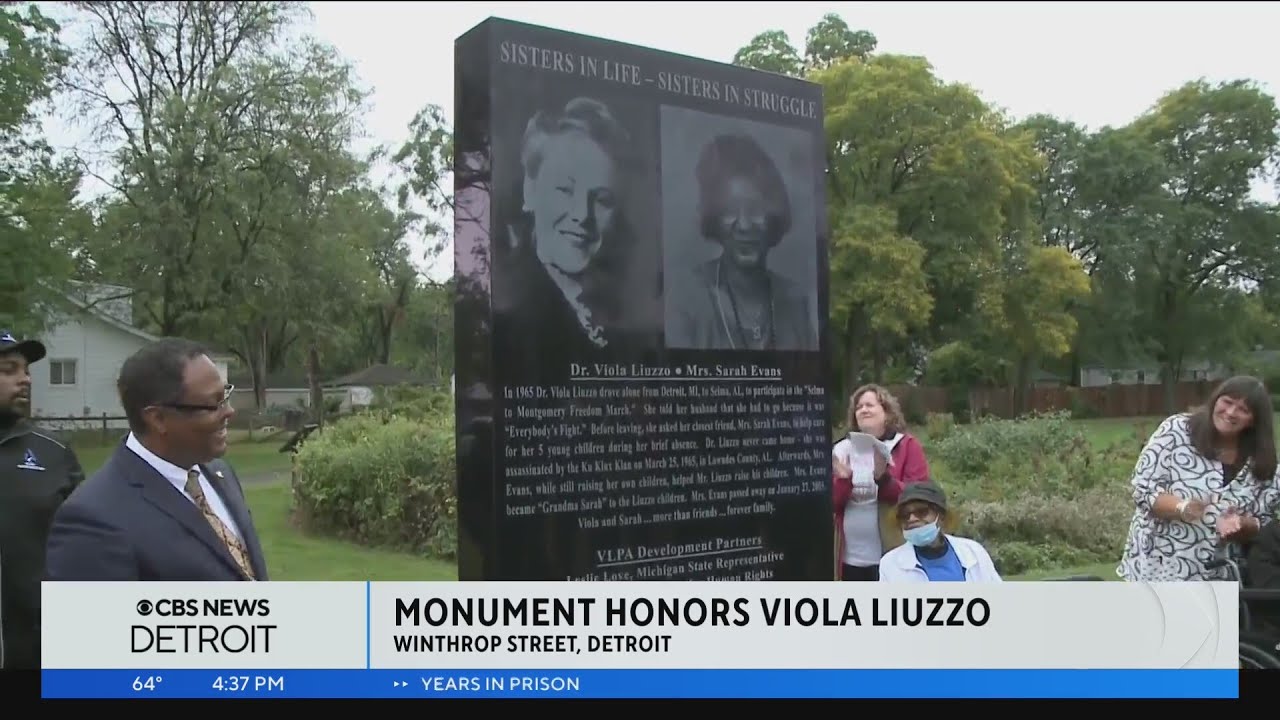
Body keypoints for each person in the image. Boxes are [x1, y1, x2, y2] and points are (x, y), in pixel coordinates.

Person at [45, 338, 268, 582]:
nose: (229, 412)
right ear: (158, 418)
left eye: (225, 395)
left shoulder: (219, 473)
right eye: (213, 404)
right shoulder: (93, 519)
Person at [1117, 375, 1280, 582]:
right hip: (1159, 569)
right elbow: (1142, 489)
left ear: (1254, 420)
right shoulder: (1176, 431)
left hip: (1221, 576)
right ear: (1216, 400)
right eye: (1227, 402)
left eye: (1243, 410)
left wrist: (1241, 524)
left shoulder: (1263, 464)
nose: (1230, 412)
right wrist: (1183, 507)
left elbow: (1266, 527)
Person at [665, 132, 818, 351]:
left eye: (756, 210)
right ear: (714, 219)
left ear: (773, 218)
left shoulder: (794, 301)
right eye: (730, 211)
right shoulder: (687, 296)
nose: (744, 225)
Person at [0, 331, 84, 668]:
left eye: (26, 371)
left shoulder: (54, 454)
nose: (25, 379)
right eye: (9, 370)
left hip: (38, 650)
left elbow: (87, 545)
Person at [832, 384, 931, 580]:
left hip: (892, 553)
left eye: (870, 404)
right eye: (859, 407)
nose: (863, 410)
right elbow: (831, 504)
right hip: (849, 559)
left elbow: (918, 496)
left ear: (886, 412)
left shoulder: (906, 446)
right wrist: (843, 481)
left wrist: (883, 479)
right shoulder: (841, 450)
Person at [878, 481, 1002, 583]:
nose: (912, 519)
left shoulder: (974, 552)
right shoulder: (890, 564)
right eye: (904, 515)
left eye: (921, 512)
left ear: (941, 515)